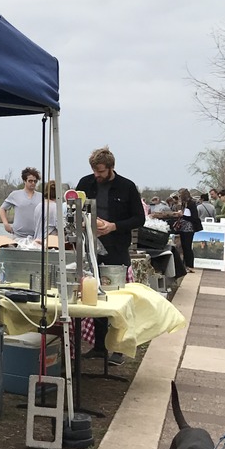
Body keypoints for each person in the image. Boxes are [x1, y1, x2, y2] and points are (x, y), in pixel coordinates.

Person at [75, 146, 146, 366]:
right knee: (92, 297)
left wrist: (114, 226)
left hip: (117, 249)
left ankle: (118, 347)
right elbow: (73, 211)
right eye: (95, 171)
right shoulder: (85, 184)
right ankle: (98, 346)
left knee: (118, 298)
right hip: (90, 249)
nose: (97, 176)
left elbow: (139, 218)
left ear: (111, 168)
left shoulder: (127, 187)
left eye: (101, 172)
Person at [0, 167, 41, 239]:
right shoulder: (15, 194)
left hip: (36, 236)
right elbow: (2, 208)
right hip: (18, 236)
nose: (33, 183)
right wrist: (6, 224)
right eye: (30, 181)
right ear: (24, 181)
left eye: (35, 181)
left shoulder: (41, 197)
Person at [174, 188, 203, 273]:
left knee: (187, 246)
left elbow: (194, 217)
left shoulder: (191, 204)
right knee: (184, 246)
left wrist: (182, 215)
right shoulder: (185, 204)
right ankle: (186, 264)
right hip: (183, 228)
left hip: (189, 228)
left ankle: (190, 265)